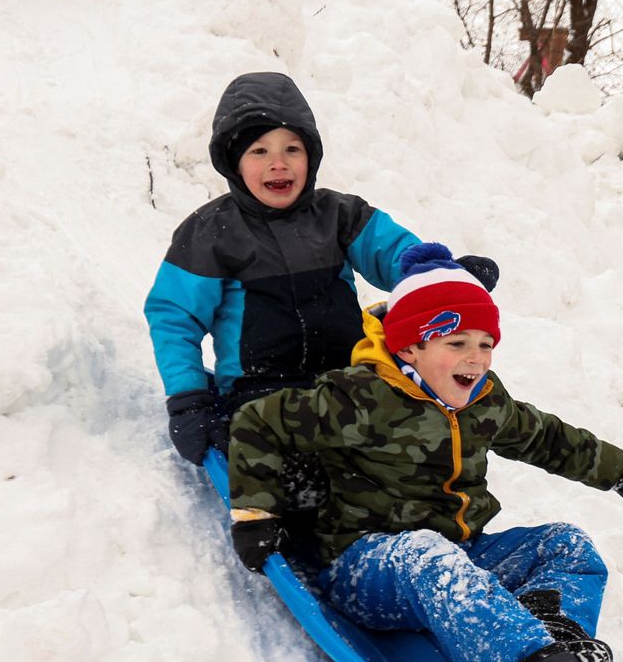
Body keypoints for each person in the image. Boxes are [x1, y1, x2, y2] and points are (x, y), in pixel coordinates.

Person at [223, 244, 623, 662]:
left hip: (461, 554)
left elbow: (547, 439)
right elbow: (259, 424)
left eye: (485, 344)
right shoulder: (359, 398)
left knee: (564, 542)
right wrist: (255, 514)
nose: (475, 359)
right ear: (410, 347)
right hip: (366, 565)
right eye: (456, 343)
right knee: (427, 554)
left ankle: (554, 627)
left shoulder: (484, 400)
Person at [143, 71, 497, 469]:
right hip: (262, 391)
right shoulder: (211, 232)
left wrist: (442, 276)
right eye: (259, 151)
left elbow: (395, 253)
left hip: (351, 379)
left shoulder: (339, 214)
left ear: (310, 156)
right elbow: (175, 316)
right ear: (233, 160)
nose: (279, 164)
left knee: (404, 444)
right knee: (293, 470)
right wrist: (189, 400)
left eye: (292, 149)